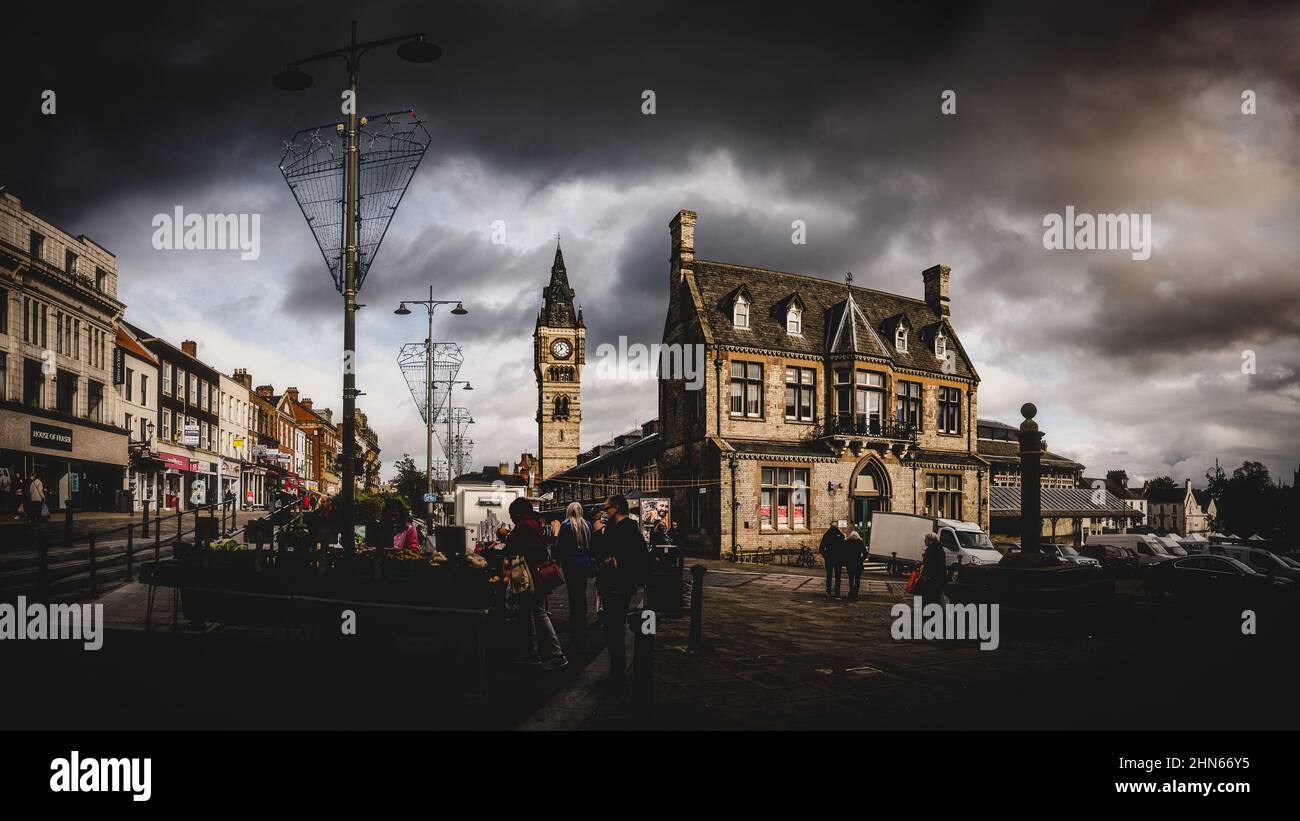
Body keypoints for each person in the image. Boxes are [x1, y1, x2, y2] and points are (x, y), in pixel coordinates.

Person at [592, 494, 650, 695]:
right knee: (612, 631)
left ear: (616, 508)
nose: (604, 511)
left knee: (613, 631)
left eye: (606, 508)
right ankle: (616, 674)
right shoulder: (622, 529)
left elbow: (637, 559)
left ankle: (618, 678)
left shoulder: (623, 531)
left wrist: (617, 562)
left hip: (617, 586)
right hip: (616, 586)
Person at [504, 497, 568, 670]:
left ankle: (556, 654)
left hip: (529, 578)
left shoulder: (524, 526)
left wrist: (507, 538)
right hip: (533, 576)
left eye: (512, 515)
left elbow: (510, 547)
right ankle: (533, 654)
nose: (511, 518)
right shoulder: (534, 524)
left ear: (517, 513)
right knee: (529, 615)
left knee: (538, 615)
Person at [554, 501, 595, 636]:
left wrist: (558, 562)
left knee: (572, 592)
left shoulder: (565, 526)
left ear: (568, 511)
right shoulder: (587, 525)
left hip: (570, 564)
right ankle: (582, 619)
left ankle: (574, 622)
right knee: (582, 592)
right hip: (585, 562)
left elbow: (560, 546)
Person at [920, 532, 948, 607]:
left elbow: (930, 564)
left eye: (926, 539)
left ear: (930, 540)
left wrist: (927, 576)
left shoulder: (932, 549)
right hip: (937, 579)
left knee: (930, 597)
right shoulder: (938, 548)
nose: (924, 541)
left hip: (933, 579)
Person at [819, 524, 845, 599]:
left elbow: (821, 548)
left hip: (829, 558)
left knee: (829, 575)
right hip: (838, 559)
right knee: (838, 576)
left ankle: (828, 591)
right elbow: (843, 549)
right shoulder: (841, 536)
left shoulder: (826, 535)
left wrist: (825, 556)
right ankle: (837, 593)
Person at [843, 530, 866, 600]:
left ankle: (851, 592)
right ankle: (855, 593)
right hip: (858, 563)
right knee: (857, 579)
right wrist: (862, 559)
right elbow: (865, 552)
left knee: (851, 578)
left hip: (850, 563)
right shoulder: (860, 542)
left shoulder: (847, 542)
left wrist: (845, 560)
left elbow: (844, 553)